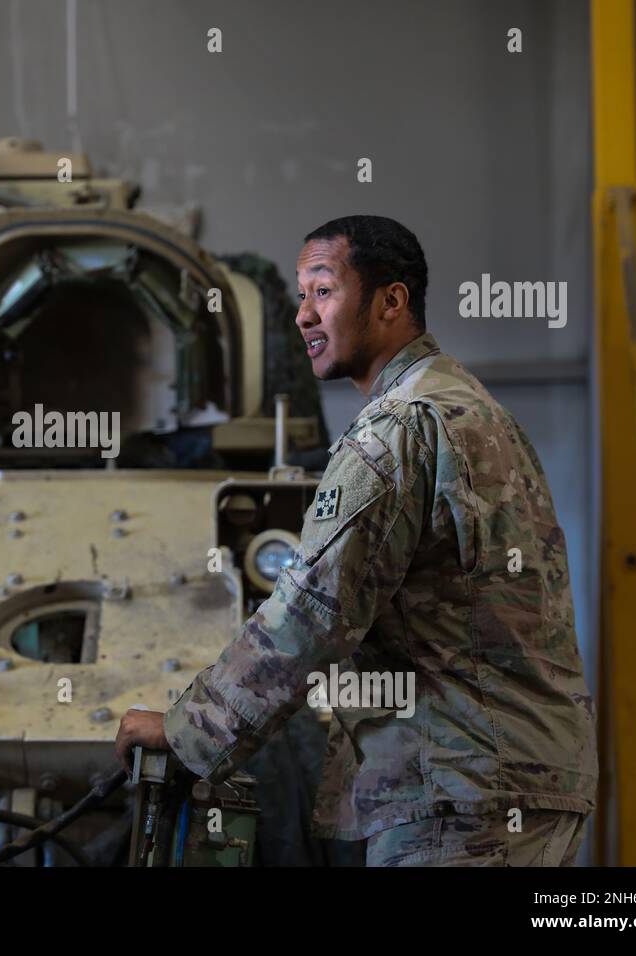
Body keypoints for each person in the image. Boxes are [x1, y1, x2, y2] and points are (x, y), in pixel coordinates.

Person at [114, 215, 597, 866]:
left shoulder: (396, 430)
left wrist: (188, 733)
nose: (304, 317)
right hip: (526, 779)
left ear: (391, 300)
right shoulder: (477, 412)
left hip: (457, 796)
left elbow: (313, 613)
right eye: (301, 296)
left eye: (323, 291)